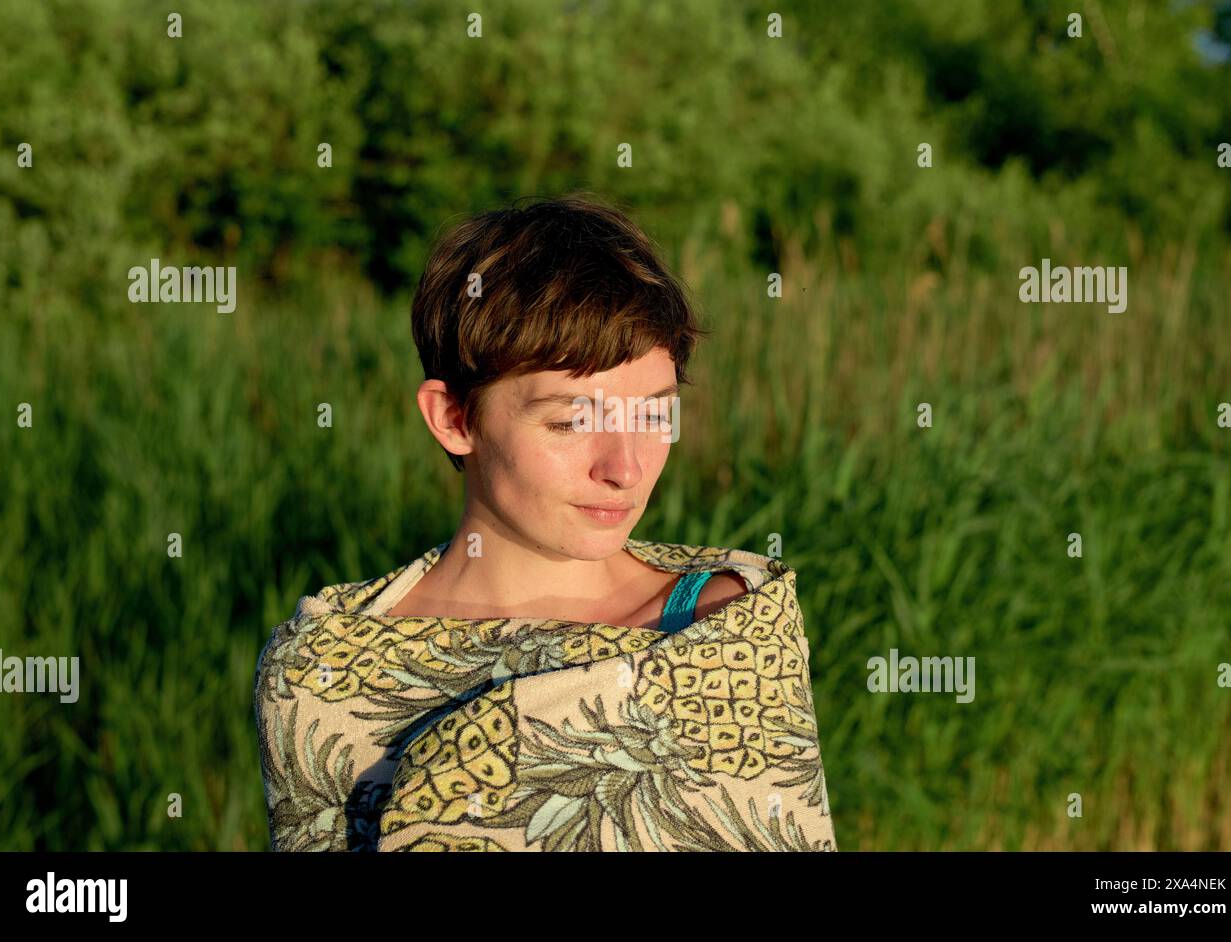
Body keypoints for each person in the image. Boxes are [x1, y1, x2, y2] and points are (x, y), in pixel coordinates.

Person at [254, 193, 836, 851]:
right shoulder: (323, 671)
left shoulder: (725, 631)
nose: (624, 468)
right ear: (453, 418)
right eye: (570, 421)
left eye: (653, 415)